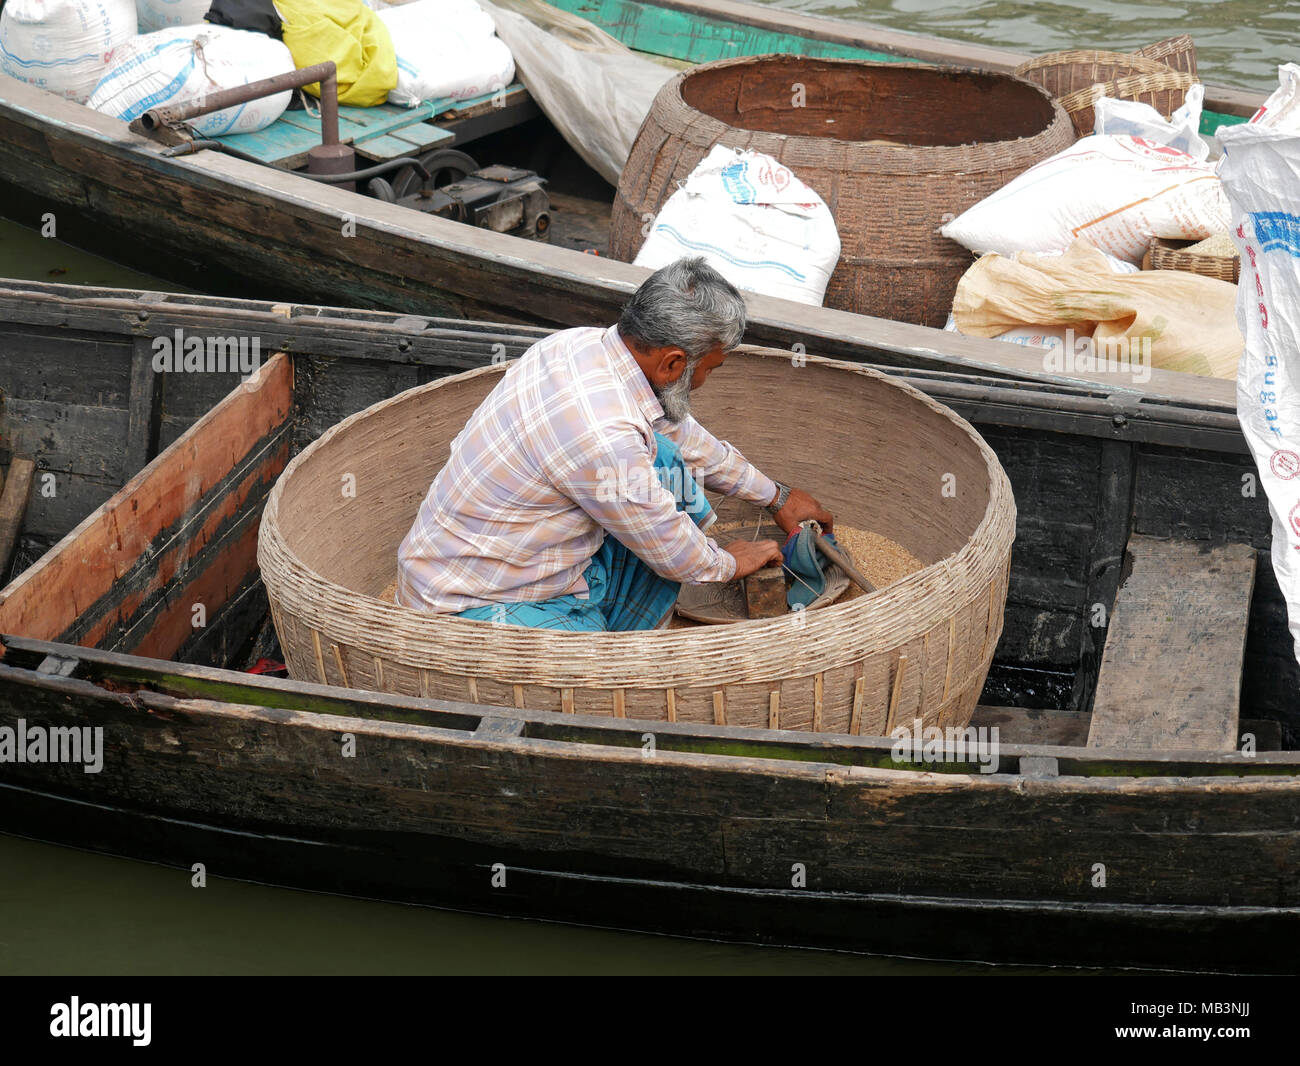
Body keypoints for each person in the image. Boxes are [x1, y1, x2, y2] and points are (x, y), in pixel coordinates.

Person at [397, 256, 834, 631]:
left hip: (505, 552)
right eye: (710, 369)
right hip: (470, 603)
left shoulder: (576, 344)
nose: (704, 381)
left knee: (662, 455)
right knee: (596, 672)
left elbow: (680, 433)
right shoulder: (606, 439)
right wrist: (728, 563)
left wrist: (776, 496)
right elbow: (675, 552)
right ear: (672, 363)